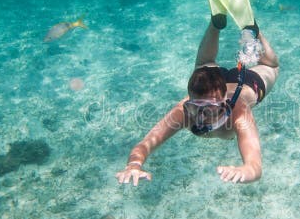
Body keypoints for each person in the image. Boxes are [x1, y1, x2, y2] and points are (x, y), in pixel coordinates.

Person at [115, 13, 279, 185]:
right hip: (211, 84)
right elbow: (145, 145)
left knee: (271, 65)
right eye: (195, 107)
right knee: (203, 64)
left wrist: (247, 170)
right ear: (189, 103)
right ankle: (215, 24)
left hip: (246, 83)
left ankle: (255, 32)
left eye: (210, 109)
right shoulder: (183, 112)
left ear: (225, 104)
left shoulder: (239, 114)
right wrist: (134, 165)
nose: (201, 116)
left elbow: (255, 167)